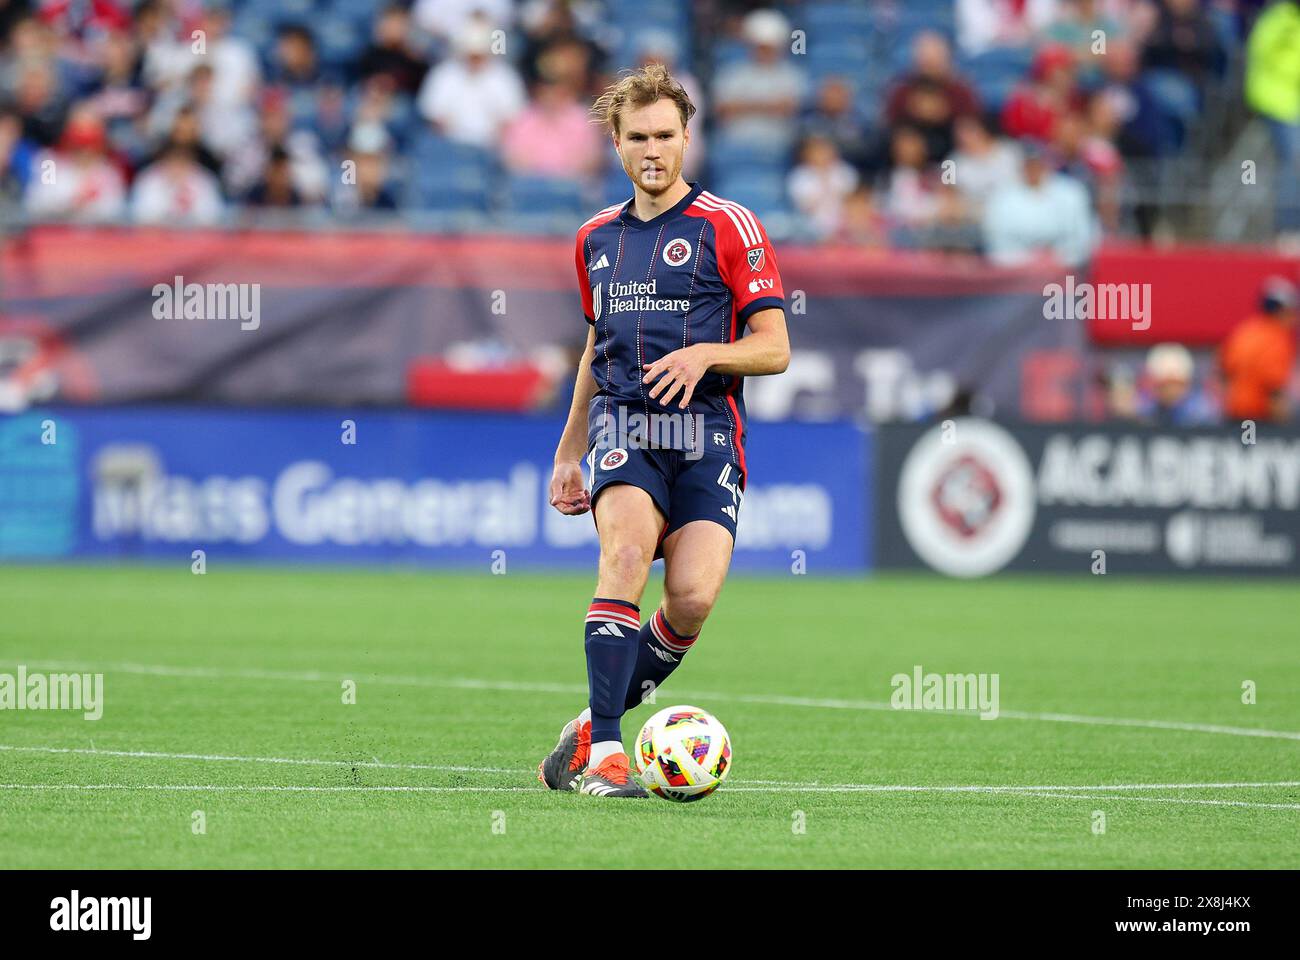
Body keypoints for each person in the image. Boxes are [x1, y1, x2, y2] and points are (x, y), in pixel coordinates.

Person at [539, 63, 789, 798]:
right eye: (637, 137)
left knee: (692, 600)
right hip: (625, 423)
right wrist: (568, 452)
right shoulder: (593, 240)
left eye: (666, 135)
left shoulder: (729, 225)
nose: (653, 150)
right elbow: (594, 349)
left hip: (707, 432)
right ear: (615, 145)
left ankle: (592, 720)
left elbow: (774, 347)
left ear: (688, 138)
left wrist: (709, 351)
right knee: (623, 556)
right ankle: (609, 758)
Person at [1218, 276, 1298, 423]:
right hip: (1259, 420)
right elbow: (1274, 390)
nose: (1295, 318)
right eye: (1292, 311)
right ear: (1281, 311)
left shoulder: (1244, 332)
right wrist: (1285, 429)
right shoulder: (1277, 338)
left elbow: (1224, 375)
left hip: (1232, 417)